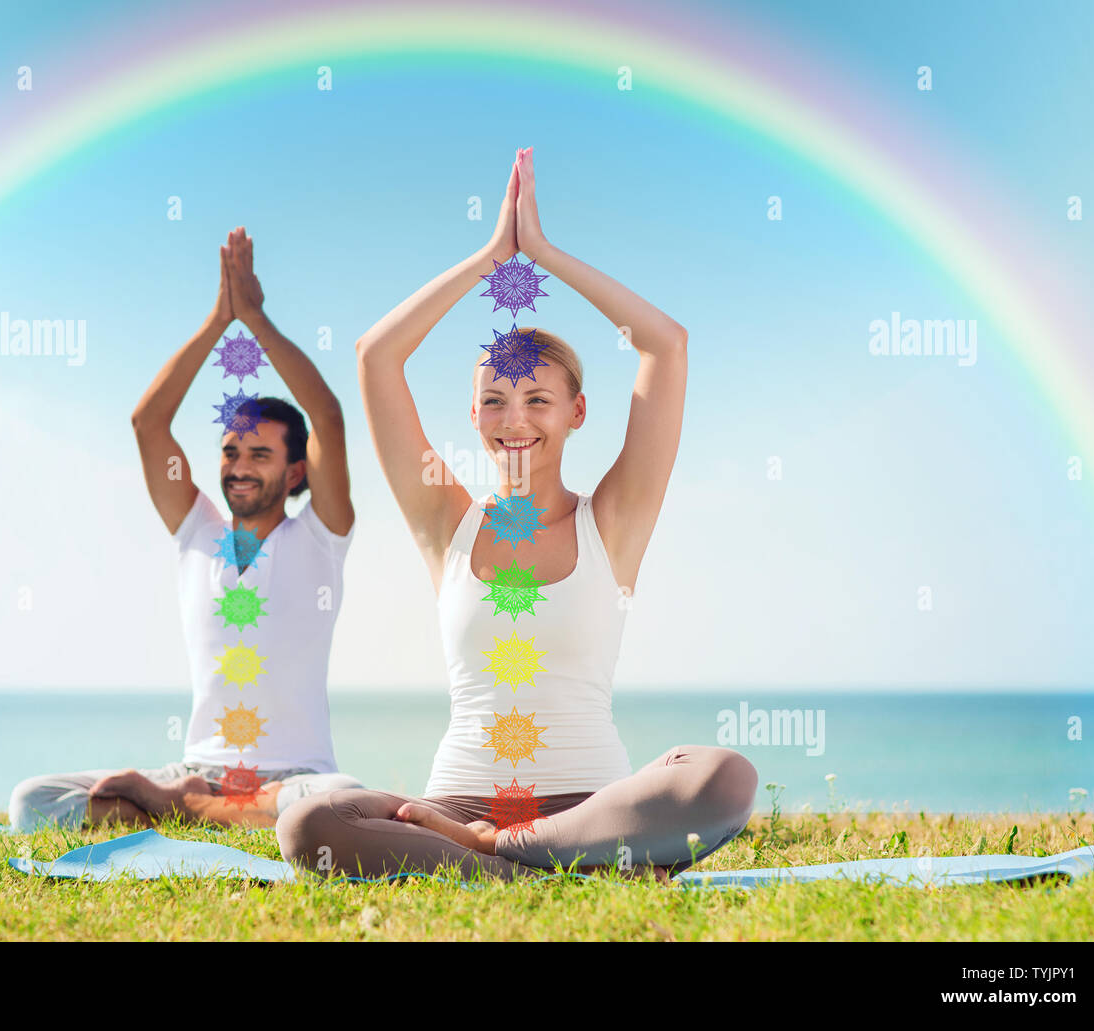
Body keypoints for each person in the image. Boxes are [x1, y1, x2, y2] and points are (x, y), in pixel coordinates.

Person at [276, 149, 758, 880]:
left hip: (590, 807)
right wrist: (490, 256)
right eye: (495, 400)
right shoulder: (448, 519)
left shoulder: (613, 523)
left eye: (537, 400)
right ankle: (549, 869)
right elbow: (377, 356)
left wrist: (543, 254)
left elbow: (666, 343)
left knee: (724, 773)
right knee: (309, 821)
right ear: (473, 414)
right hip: (457, 806)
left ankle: (508, 860)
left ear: (576, 413)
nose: (514, 420)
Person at [8, 227, 363, 832]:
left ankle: (182, 812)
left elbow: (327, 415)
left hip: (296, 775)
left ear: (297, 469)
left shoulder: (321, 537)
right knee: (32, 801)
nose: (239, 466)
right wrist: (218, 320)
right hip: (197, 767)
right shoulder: (197, 529)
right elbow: (148, 423)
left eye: (259, 453)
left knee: (340, 802)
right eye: (229, 452)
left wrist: (256, 319)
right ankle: (199, 805)